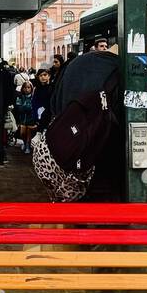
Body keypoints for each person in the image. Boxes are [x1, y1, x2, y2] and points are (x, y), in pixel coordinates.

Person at [47, 38, 122, 197]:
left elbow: (55, 103)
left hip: (71, 153)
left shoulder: (75, 64)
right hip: (105, 159)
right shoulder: (121, 69)